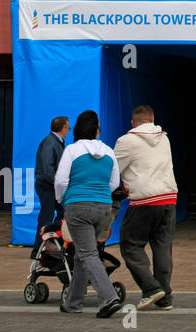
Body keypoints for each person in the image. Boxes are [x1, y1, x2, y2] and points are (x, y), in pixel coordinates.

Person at [54, 110, 122, 317]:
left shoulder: (72, 150)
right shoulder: (109, 151)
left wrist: (62, 200)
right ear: (96, 130)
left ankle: (109, 298)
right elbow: (115, 183)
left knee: (87, 254)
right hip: (103, 207)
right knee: (83, 255)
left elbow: (61, 181)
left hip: (78, 206)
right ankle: (73, 303)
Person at [114, 104, 178, 311]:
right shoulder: (164, 138)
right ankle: (164, 297)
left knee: (131, 244)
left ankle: (150, 288)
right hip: (169, 197)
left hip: (144, 200)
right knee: (162, 246)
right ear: (152, 119)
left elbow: (113, 171)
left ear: (133, 122)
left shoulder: (126, 141)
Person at [31, 116, 68, 258]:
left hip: (51, 186)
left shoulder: (56, 142)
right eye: (67, 127)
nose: (68, 130)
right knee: (46, 217)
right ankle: (38, 250)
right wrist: (57, 182)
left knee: (63, 213)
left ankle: (52, 244)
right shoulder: (50, 143)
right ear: (63, 128)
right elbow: (47, 169)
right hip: (47, 186)